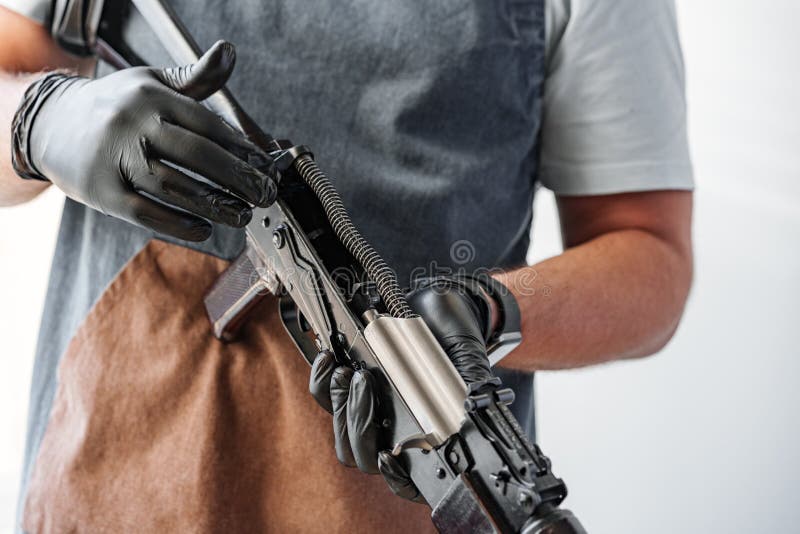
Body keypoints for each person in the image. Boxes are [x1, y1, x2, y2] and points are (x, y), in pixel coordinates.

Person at [0, 0, 694, 532]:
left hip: (416, 476)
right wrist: (37, 121)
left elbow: (648, 251)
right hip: (117, 448)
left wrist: (490, 313)